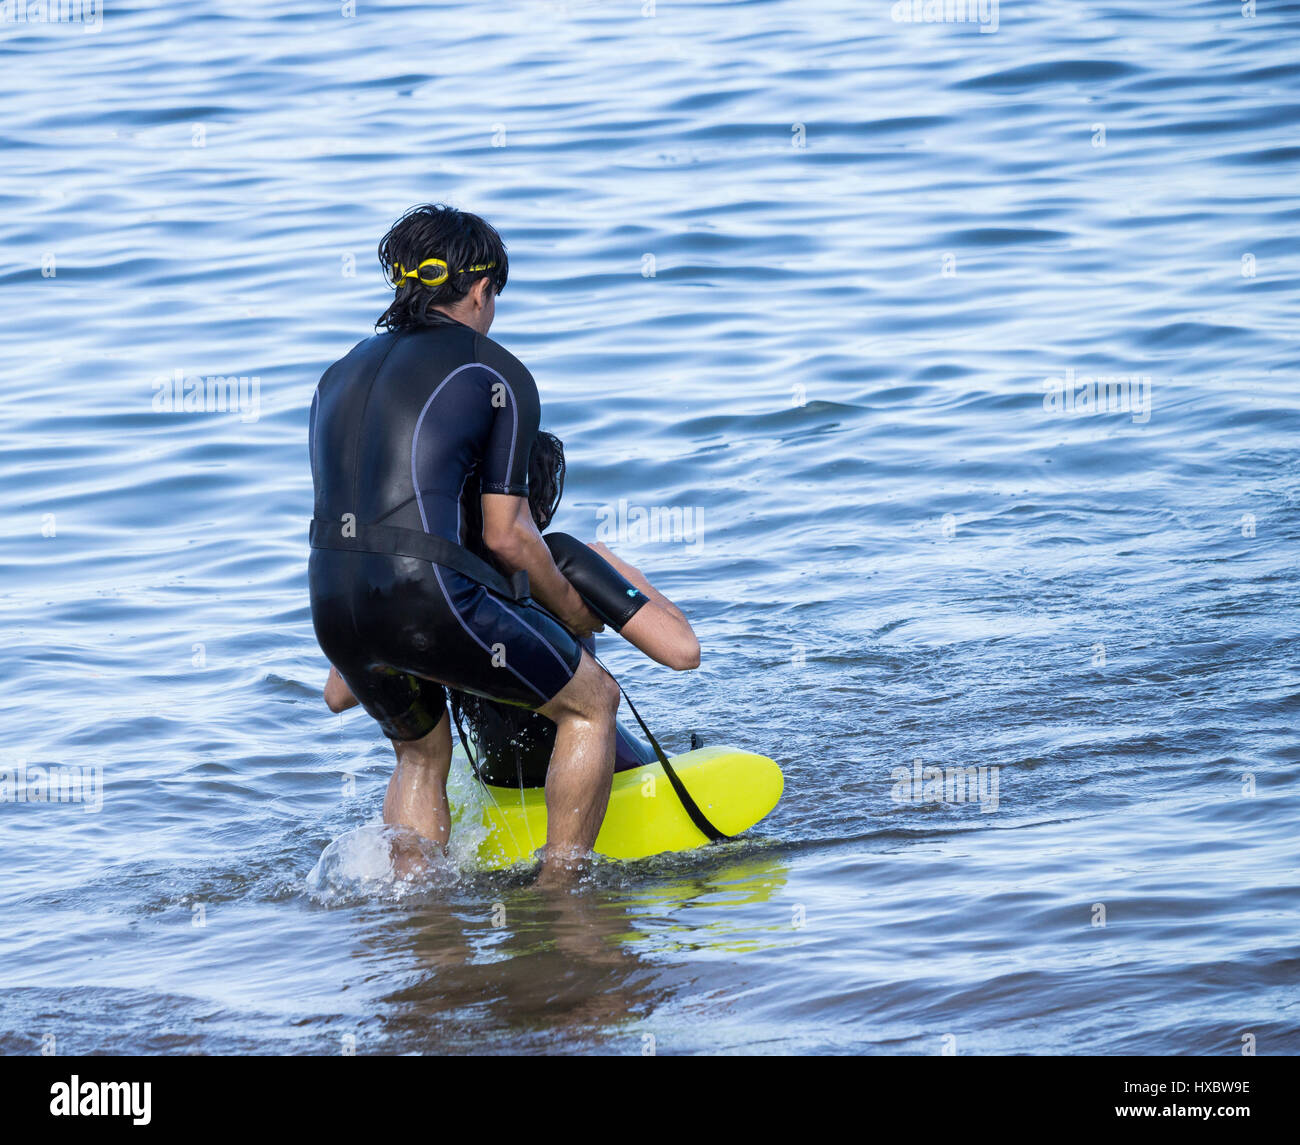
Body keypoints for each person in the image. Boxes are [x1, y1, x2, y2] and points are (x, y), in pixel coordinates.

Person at [308, 204, 696, 886]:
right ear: (482, 290)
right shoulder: (495, 372)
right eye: (496, 298)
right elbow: (507, 533)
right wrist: (571, 610)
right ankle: (559, 897)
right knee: (592, 700)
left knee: (420, 754)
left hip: (333, 599)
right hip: (423, 589)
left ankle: (416, 912)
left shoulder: (336, 376)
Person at [325, 432, 701, 788]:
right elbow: (682, 651)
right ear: (534, 502)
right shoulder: (560, 559)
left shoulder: (439, 585)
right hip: (614, 771)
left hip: (502, 782)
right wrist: (622, 571)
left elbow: (337, 696)